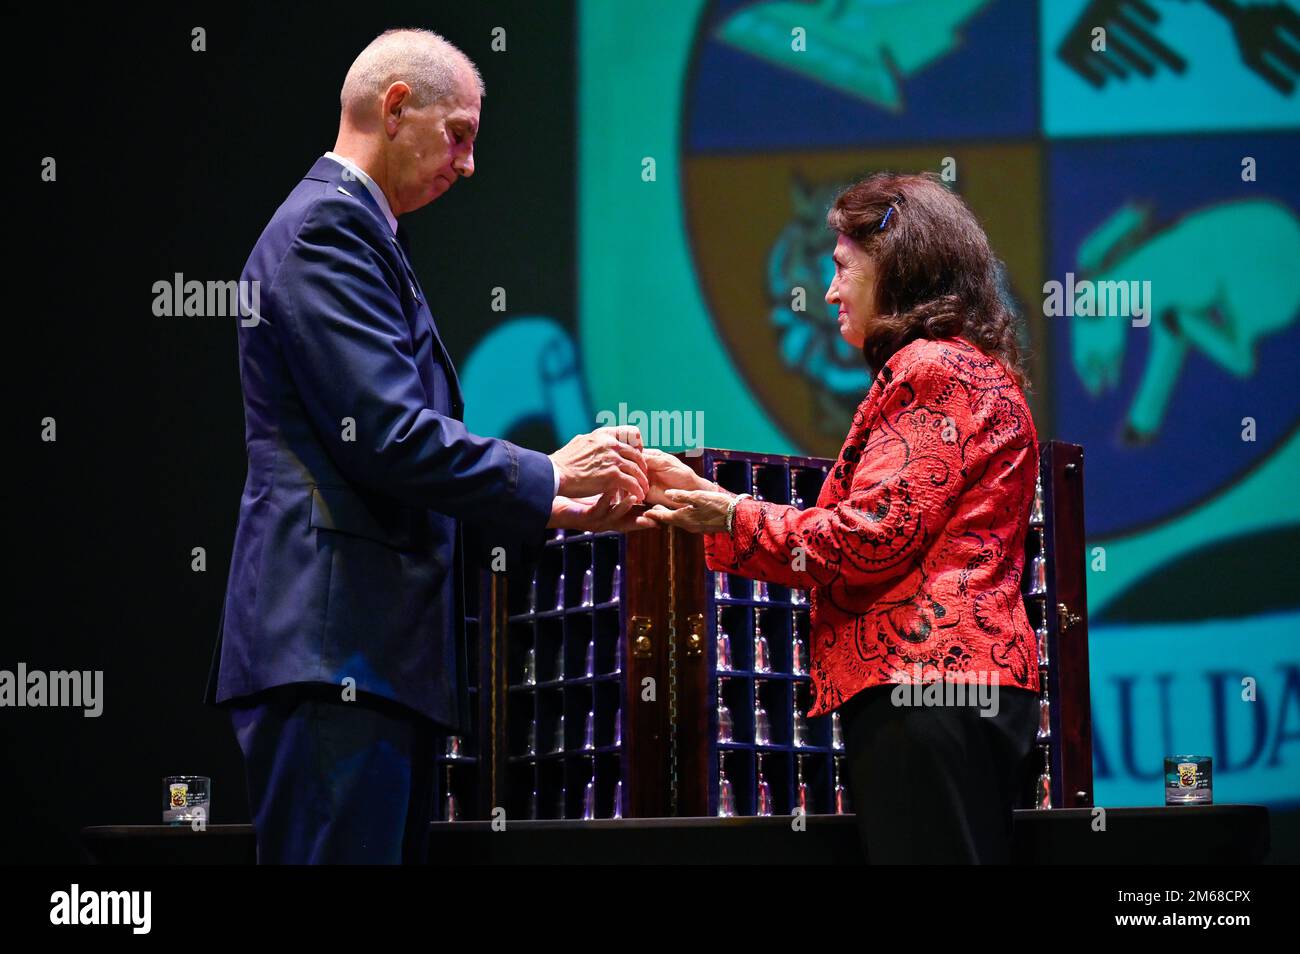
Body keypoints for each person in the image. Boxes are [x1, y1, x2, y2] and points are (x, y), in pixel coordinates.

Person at [204, 28, 651, 864]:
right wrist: (549, 465)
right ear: (397, 106)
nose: (469, 165)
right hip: (333, 651)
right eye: (461, 135)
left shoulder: (358, 232)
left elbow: (384, 452)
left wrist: (549, 506)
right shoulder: (325, 232)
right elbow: (388, 436)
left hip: (367, 660)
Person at [645, 171, 1041, 863]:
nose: (827, 292)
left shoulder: (932, 369)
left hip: (925, 686)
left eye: (840, 269)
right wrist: (715, 507)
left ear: (899, 268)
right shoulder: (977, 370)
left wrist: (730, 514)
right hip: (957, 687)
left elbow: (871, 538)